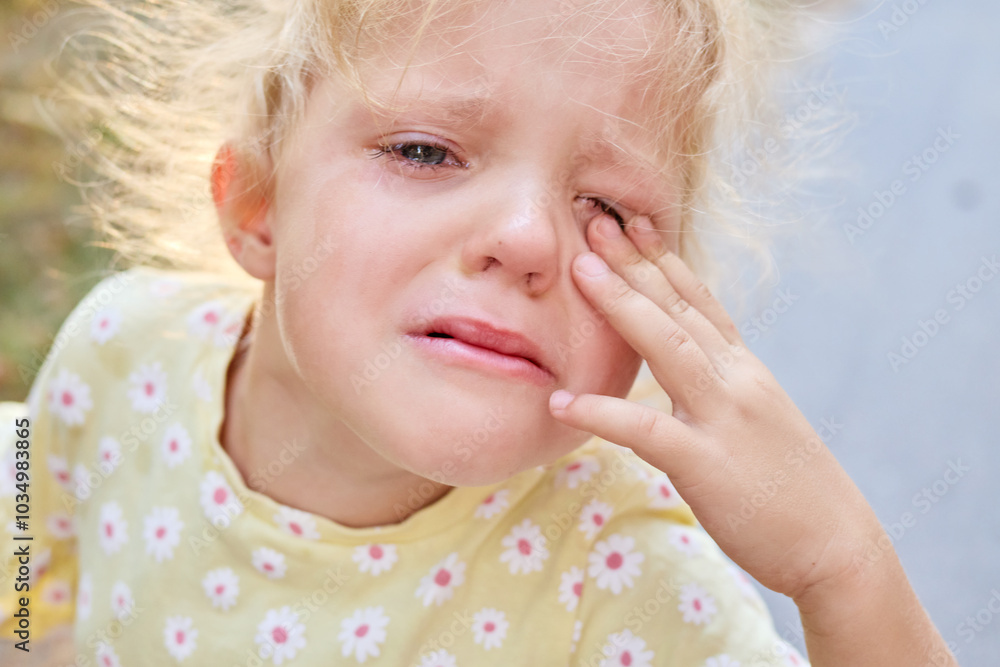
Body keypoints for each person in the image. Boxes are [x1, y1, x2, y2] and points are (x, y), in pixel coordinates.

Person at [0, 0, 958, 665]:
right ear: (258, 203)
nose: (526, 237)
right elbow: (22, 570)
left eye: (605, 207)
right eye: (424, 151)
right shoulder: (118, 349)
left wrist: (840, 568)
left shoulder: (613, 568)